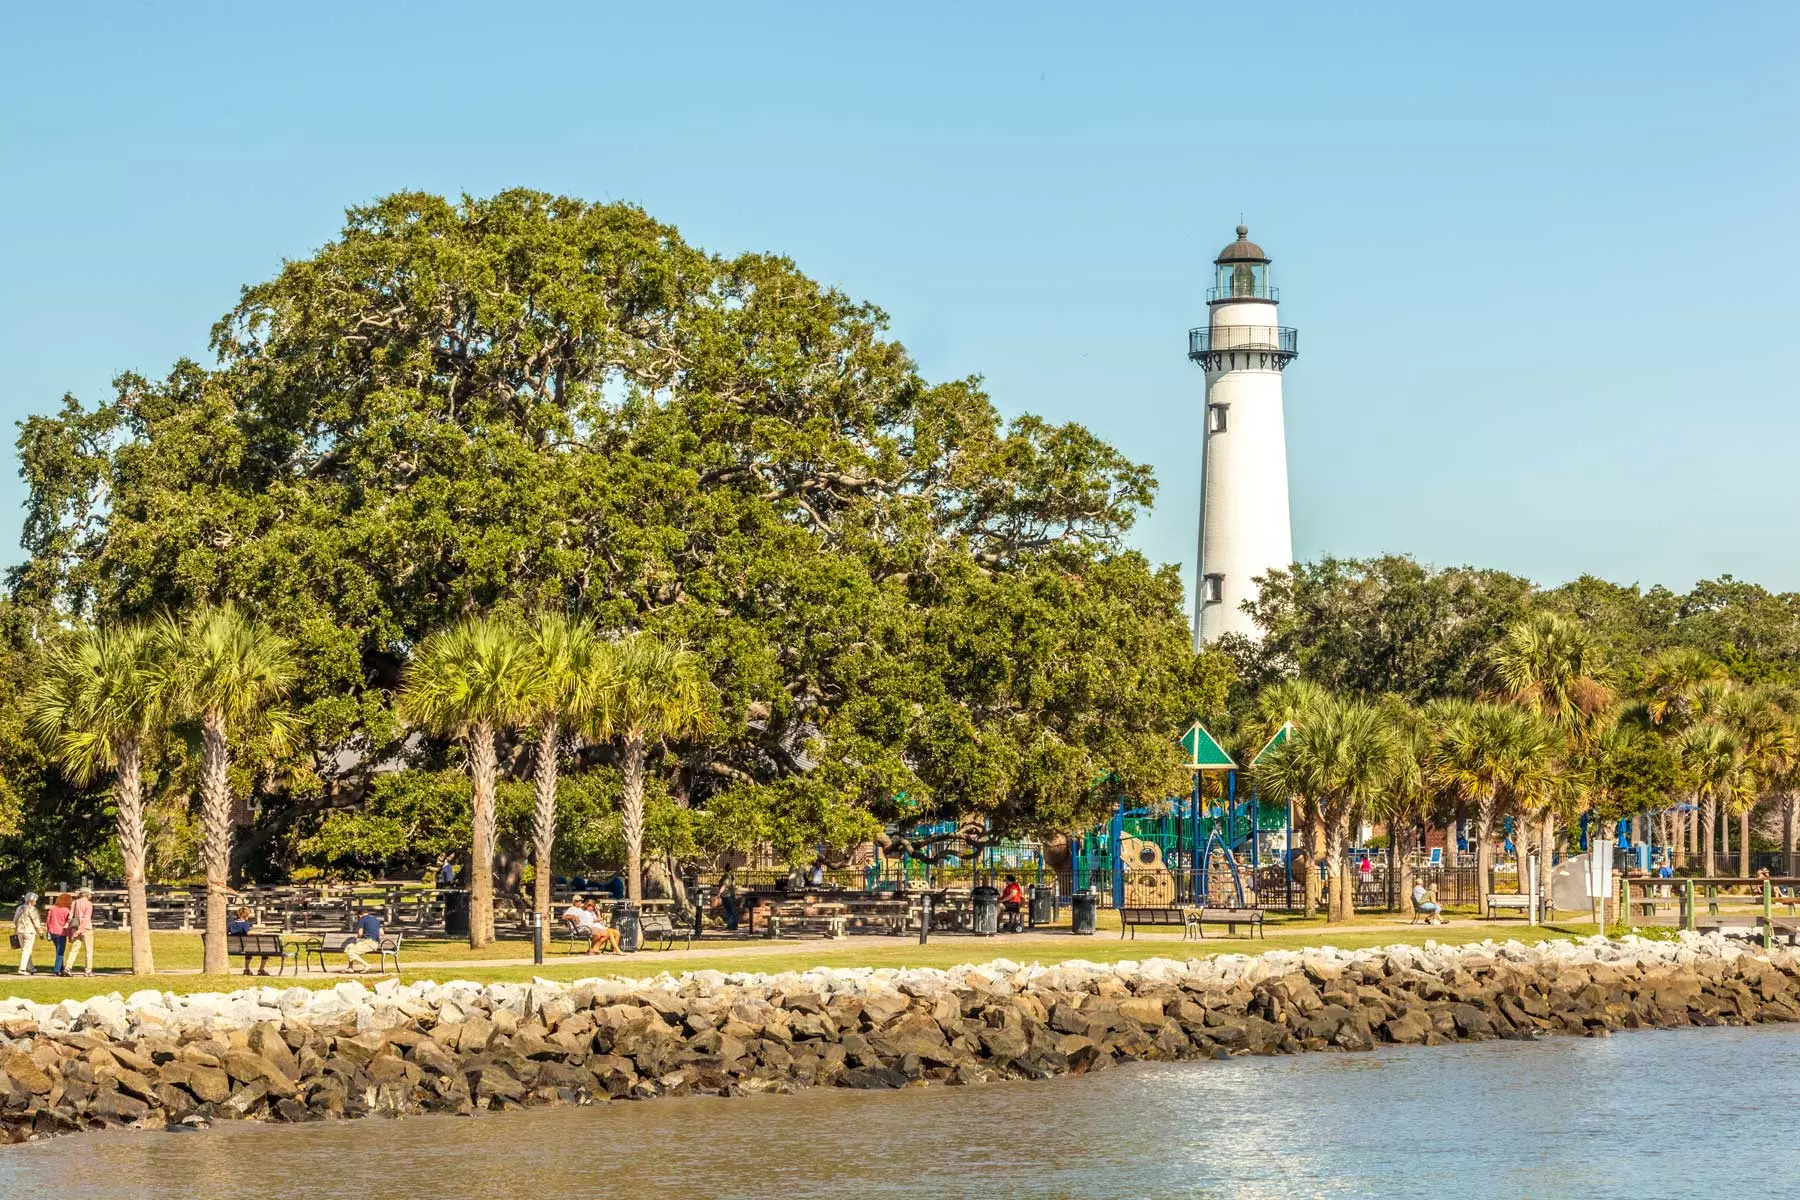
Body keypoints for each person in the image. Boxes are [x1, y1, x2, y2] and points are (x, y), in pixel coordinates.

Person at [228, 906, 276, 976]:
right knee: (265, 950)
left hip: (234, 948)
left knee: (248, 949)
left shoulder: (231, 923)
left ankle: (247, 969)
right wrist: (258, 933)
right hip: (246, 947)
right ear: (245, 915)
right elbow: (248, 933)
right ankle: (261, 969)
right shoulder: (245, 923)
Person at [66, 887, 97, 977]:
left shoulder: (74, 902)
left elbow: (70, 916)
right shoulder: (88, 904)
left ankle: (68, 967)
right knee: (89, 950)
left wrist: (72, 929)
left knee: (74, 949)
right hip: (86, 928)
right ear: (87, 894)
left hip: (75, 927)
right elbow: (87, 918)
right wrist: (81, 929)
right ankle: (88, 970)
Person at [343, 908, 383, 973]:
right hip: (375, 943)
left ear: (359, 915)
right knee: (349, 946)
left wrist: (360, 938)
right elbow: (382, 933)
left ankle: (366, 965)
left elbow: (360, 934)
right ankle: (350, 968)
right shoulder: (376, 919)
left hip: (368, 943)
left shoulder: (362, 919)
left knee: (350, 952)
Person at [13, 892, 42, 976]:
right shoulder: (32, 909)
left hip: (20, 931)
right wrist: (40, 932)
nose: (36, 902)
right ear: (32, 900)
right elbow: (36, 922)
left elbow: (15, 920)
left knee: (25, 950)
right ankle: (22, 969)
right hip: (29, 931)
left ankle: (31, 967)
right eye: (35, 900)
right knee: (27, 950)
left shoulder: (19, 908)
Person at [45, 893, 73, 977]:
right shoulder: (66, 911)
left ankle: (60, 968)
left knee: (58, 950)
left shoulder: (52, 909)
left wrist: (48, 930)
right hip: (61, 933)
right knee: (60, 952)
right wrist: (69, 935)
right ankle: (57, 970)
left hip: (52, 932)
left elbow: (48, 921)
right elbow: (68, 923)